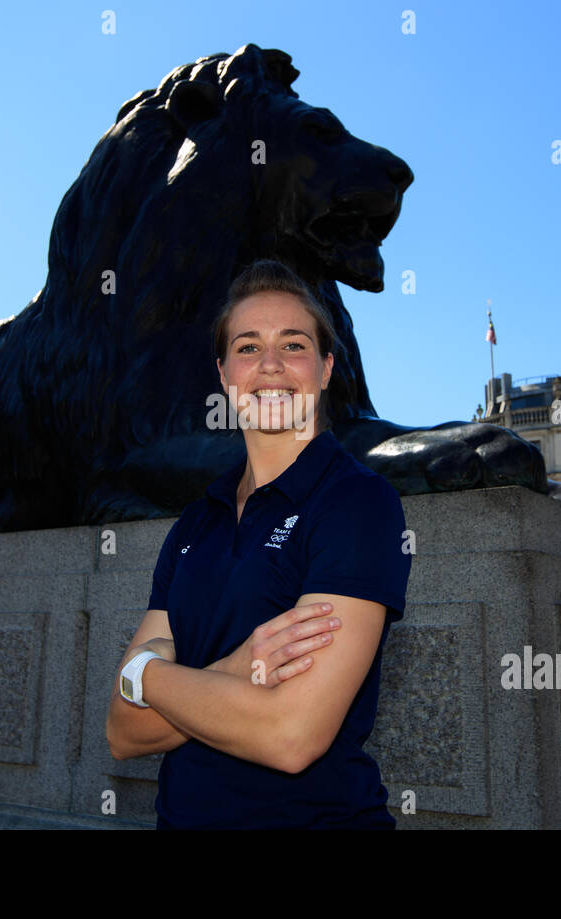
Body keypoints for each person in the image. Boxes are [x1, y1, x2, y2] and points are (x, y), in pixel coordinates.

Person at [104, 259, 412, 829]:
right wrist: (239, 667)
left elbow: (291, 735)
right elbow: (123, 733)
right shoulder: (195, 524)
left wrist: (146, 676)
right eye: (247, 348)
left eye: (292, 345)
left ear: (325, 368)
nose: (269, 364)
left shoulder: (358, 504)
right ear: (224, 375)